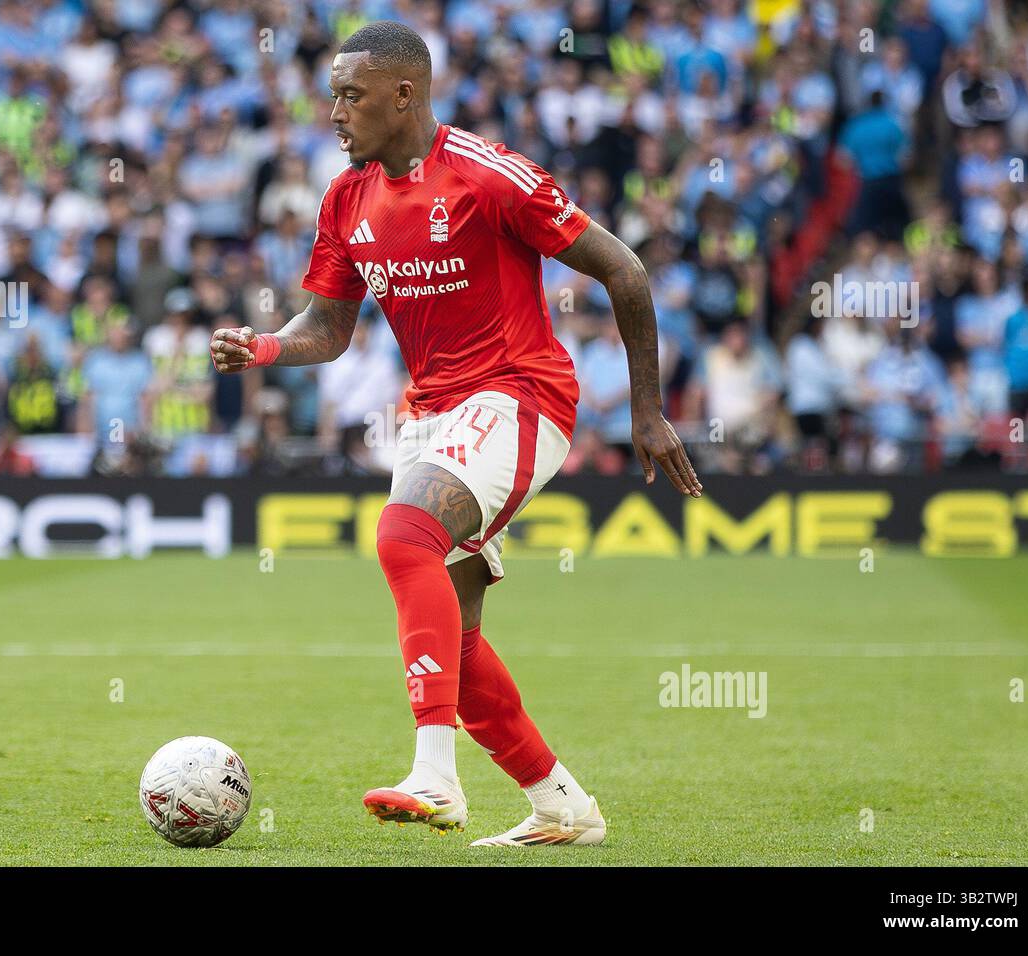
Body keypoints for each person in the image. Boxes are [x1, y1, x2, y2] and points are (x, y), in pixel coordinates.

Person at [210, 21, 700, 848]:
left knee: (405, 538)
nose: (334, 112)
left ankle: (436, 776)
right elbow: (330, 328)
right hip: (430, 414)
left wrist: (647, 409)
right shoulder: (346, 199)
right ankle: (561, 807)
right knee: (459, 642)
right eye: (331, 94)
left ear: (404, 95)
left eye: (350, 95)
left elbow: (625, 268)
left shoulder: (488, 175)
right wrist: (262, 347)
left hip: (521, 397)